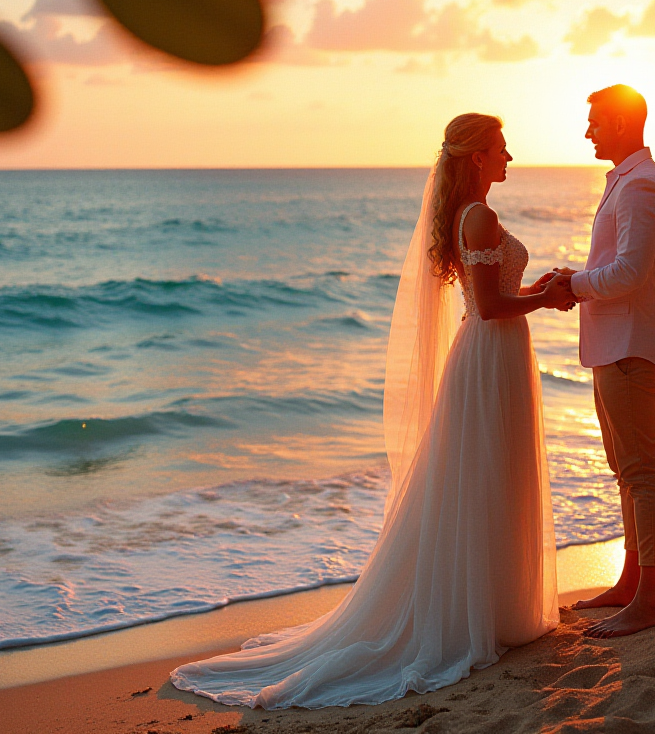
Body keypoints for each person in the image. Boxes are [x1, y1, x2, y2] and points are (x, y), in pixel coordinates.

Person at [171, 113, 568, 709]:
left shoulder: (470, 213)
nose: (510, 155)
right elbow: (489, 306)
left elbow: (488, 297)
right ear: (477, 157)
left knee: (490, 478)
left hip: (492, 355)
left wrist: (536, 292)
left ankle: (491, 608)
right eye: (501, 147)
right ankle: (482, 615)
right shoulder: (479, 216)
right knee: (488, 478)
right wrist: (545, 298)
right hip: (490, 355)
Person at [550, 85, 655, 638]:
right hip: (614, 344)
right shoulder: (629, 181)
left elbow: (630, 271)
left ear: (623, 123)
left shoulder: (642, 185)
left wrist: (574, 284)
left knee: (642, 472)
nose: (588, 132)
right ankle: (631, 583)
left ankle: (652, 598)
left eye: (597, 122)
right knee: (626, 471)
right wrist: (573, 280)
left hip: (630, 345)